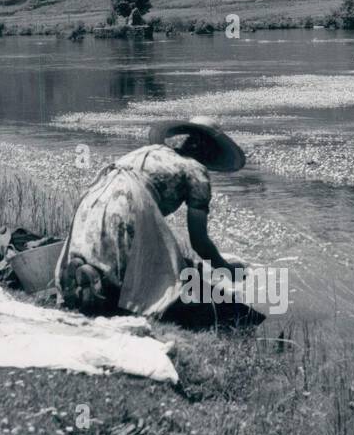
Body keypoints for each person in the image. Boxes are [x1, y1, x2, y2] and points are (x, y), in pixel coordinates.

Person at [55, 118, 247, 319]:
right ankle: (101, 289)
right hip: (129, 203)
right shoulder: (195, 170)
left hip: (93, 199)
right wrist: (224, 268)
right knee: (150, 285)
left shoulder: (151, 151)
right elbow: (199, 240)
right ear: (205, 149)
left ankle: (87, 274)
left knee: (104, 254)